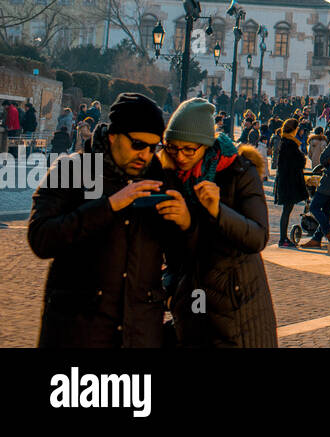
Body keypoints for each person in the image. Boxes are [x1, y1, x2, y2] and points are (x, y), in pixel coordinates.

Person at [27, 93, 192, 347]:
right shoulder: (73, 169)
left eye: (153, 147)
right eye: (138, 144)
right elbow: (41, 238)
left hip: (139, 335)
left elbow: (184, 260)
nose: (146, 155)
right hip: (78, 333)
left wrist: (186, 224)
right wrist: (109, 206)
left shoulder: (162, 182)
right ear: (114, 135)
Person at [158, 98, 277, 347]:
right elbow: (169, 249)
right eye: (172, 147)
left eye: (189, 149)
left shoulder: (239, 171)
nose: (180, 156)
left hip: (239, 307)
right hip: (191, 304)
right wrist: (172, 292)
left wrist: (218, 210)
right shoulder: (166, 177)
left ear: (205, 145)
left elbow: (257, 237)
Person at [300, 120, 330, 248]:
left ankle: (328, 232)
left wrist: (328, 163)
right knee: (326, 210)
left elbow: (323, 158)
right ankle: (316, 239)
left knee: (314, 207)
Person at [273, 118, 308, 249]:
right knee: (286, 211)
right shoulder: (290, 144)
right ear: (294, 130)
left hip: (285, 181)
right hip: (289, 182)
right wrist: (302, 158)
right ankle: (283, 238)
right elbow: (297, 163)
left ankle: (283, 238)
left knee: (286, 211)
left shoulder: (285, 142)